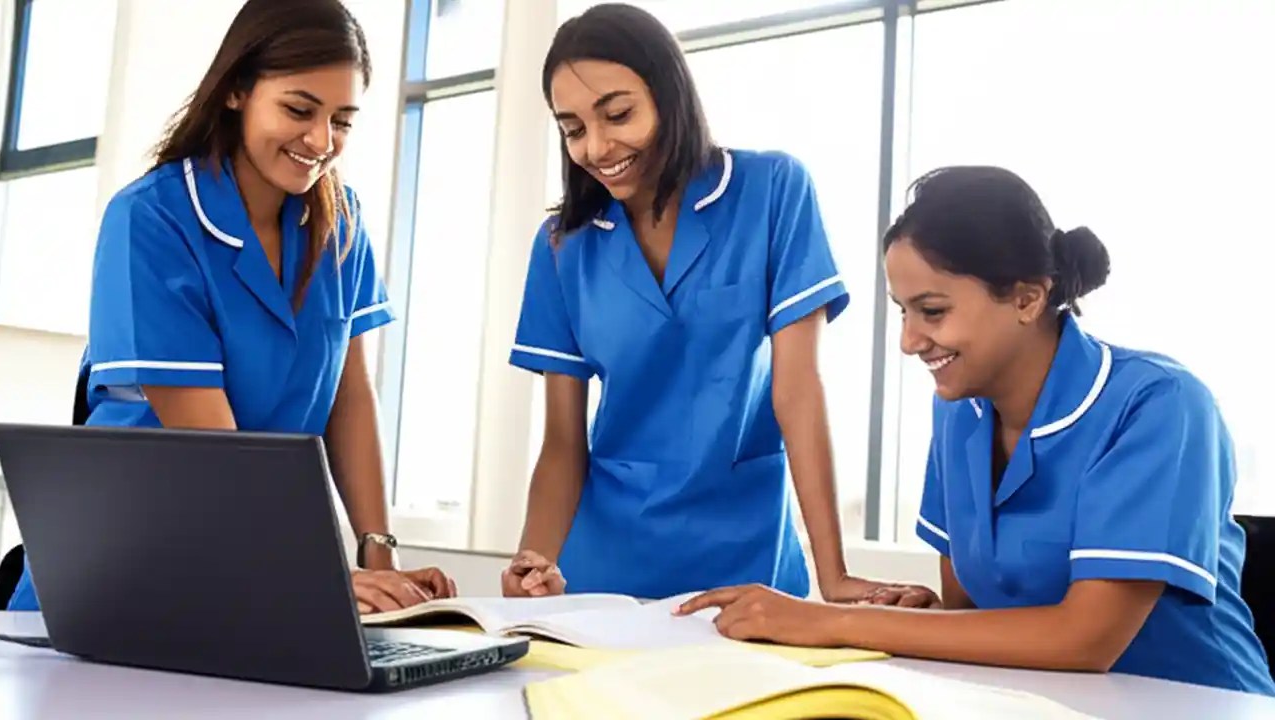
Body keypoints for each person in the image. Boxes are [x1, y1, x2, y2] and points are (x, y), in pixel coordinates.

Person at [677, 166, 1275, 695]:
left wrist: (825, 621)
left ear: (1026, 298)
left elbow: (1083, 641)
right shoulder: (959, 411)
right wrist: (922, 614)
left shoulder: (1160, 405)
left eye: (932, 311)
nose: (910, 341)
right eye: (903, 311)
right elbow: (970, 613)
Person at [8, 0, 455, 614]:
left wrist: (381, 560)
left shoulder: (341, 222)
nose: (322, 141)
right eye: (299, 110)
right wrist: (314, 576)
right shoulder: (152, 220)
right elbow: (215, 452)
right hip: (118, 574)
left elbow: (349, 391)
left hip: (258, 567)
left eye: (342, 119)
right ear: (237, 90)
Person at [501, 2, 937, 607]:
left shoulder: (773, 191)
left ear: (669, 93)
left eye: (618, 114)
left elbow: (797, 392)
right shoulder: (560, 248)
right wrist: (535, 561)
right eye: (573, 129)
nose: (597, 147)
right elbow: (562, 443)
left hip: (746, 566)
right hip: (603, 574)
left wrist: (833, 575)